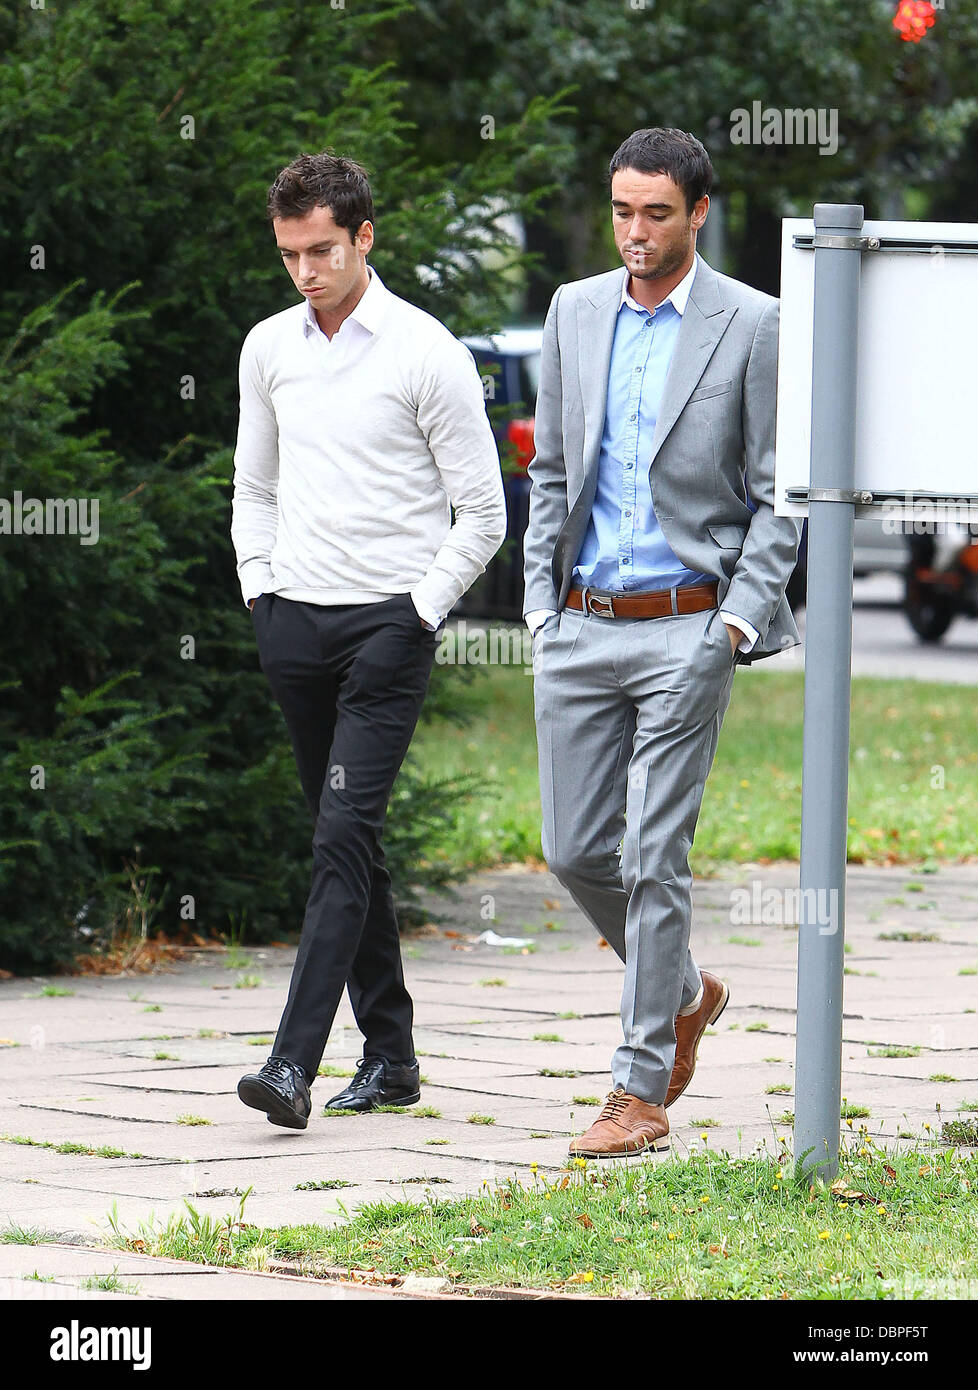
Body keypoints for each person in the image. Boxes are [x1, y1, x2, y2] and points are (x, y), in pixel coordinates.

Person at [523, 127, 803, 1158]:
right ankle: (686, 991)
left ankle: (637, 1092)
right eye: (621, 211)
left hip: (691, 622)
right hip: (581, 622)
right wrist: (538, 608)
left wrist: (735, 621)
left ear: (697, 213)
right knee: (574, 848)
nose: (635, 232)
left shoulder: (756, 324)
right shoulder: (573, 309)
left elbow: (781, 492)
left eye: (655, 213)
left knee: (653, 855)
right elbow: (551, 470)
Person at [232, 152, 506, 1129]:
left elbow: (482, 511)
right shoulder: (268, 348)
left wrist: (418, 612)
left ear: (364, 238)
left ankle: (290, 1065)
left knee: (340, 838)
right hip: (293, 625)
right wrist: (259, 593)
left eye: (323, 250)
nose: (306, 271)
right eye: (290, 254)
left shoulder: (425, 351)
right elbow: (254, 488)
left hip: (390, 629)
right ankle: (391, 1057)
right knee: (354, 844)